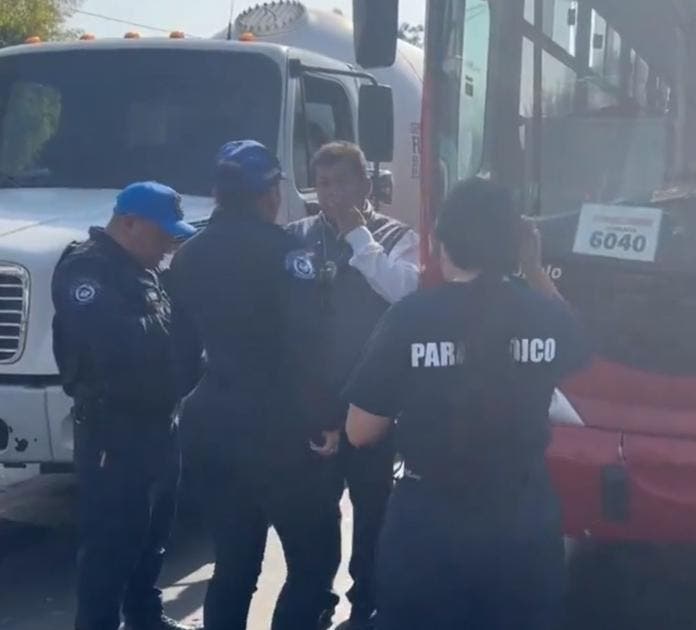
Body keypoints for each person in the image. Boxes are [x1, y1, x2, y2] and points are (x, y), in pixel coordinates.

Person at [342, 178, 589, 630]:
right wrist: (534, 270)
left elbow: (360, 430)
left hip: (431, 520)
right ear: (513, 244)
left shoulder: (411, 317)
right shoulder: (541, 314)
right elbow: (575, 344)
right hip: (522, 518)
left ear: (441, 241)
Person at [169, 140, 342, 630]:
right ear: (269, 192)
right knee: (312, 562)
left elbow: (179, 358)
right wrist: (326, 420)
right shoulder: (288, 253)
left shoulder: (188, 256)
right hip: (283, 431)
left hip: (214, 427)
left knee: (235, 564)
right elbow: (311, 345)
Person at [51, 181, 199, 630]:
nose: (168, 247)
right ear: (130, 224)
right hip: (114, 433)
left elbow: (173, 338)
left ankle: (143, 616)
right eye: (162, 235)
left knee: (152, 536)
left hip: (159, 424)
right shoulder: (87, 269)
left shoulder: (142, 268)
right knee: (111, 546)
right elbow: (114, 342)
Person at [285, 141, 420, 630]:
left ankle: (368, 605)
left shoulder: (396, 236)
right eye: (323, 184)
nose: (332, 195)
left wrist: (360, 237)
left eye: (342, 183)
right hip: (313, 408)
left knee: (373, 514)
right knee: (317, 518)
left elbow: (404, 292)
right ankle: (316, 599)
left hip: (373, 406)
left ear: (365, 184)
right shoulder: (296, 237)